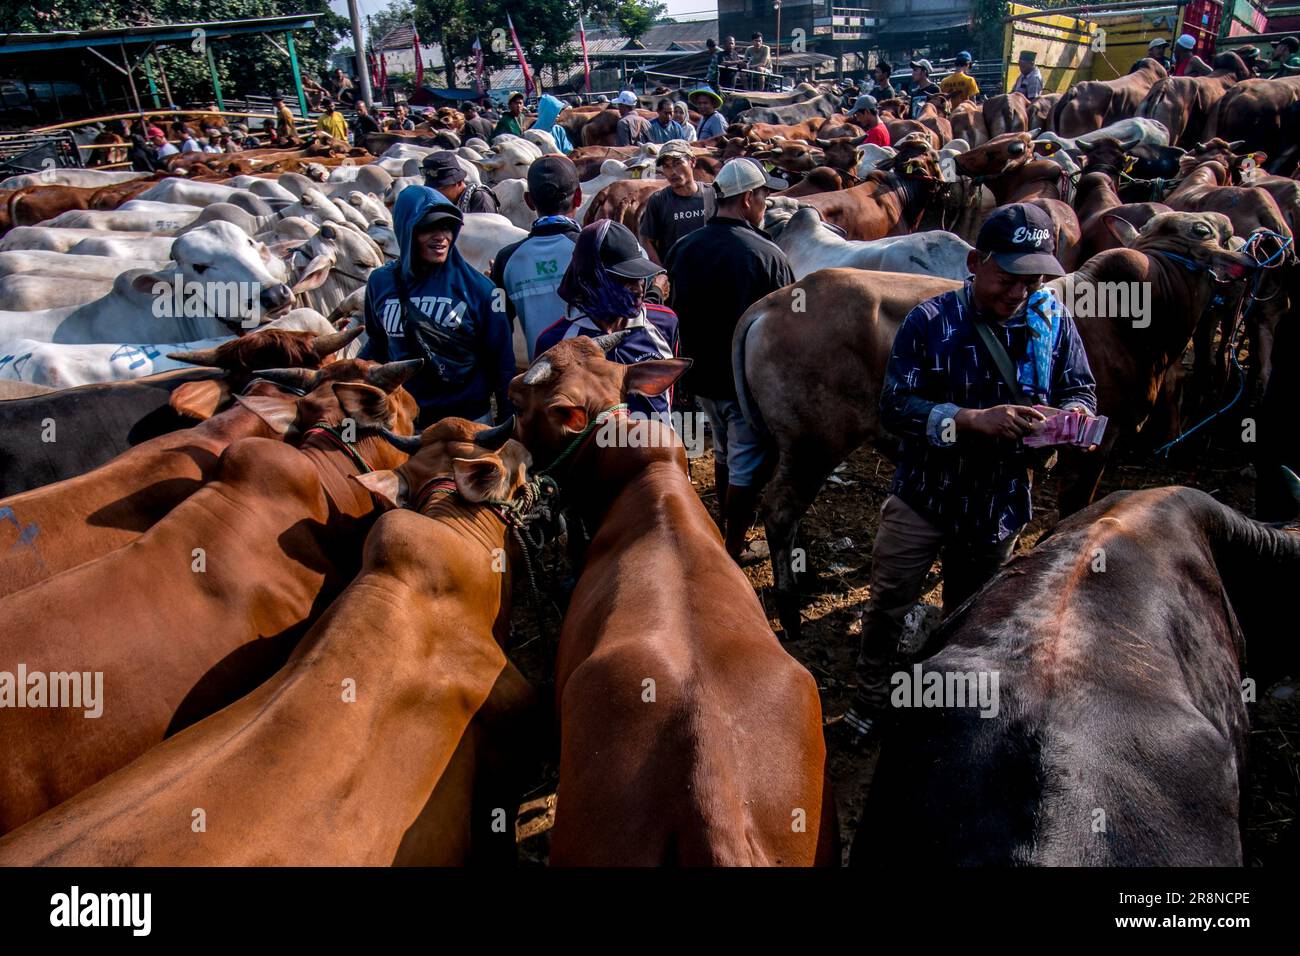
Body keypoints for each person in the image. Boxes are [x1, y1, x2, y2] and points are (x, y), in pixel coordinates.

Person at [841, 203, 1098, 742]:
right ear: (977, 262)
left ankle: (947, 716)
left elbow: (1079, 386)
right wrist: (969, 419)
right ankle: (868, 706)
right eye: (1008, 278)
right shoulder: (930, 321)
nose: (1019, 293)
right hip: (925, 495)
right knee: (890, 604)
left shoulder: (1054, 322)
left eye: (1033, 280)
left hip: (999, 502)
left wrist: (1072, 414)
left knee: (972, 616)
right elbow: (894, 407)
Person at [666, 158, 792, 565]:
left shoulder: (683, 248)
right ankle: (731, 550)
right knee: (745, 466)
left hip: (701, 378)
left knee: (722, 453)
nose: (766, 206)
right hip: (746, 386)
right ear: (748, 198)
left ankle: (722, 531)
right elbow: (787, 327)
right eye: (764, 197)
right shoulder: (769, 256)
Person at [359, 186, 513, 427]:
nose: (441, 236)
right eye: (428, 228)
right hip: (405, 421)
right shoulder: (380, 283)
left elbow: (501, 363)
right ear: (406, 230)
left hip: (467, 423)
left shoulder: (482, 290)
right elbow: (377, 345)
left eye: (446, 227)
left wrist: (506, 422)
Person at [534, 220, 680, 421]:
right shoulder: (555, 342)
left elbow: (668, 396)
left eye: (640, 277)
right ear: (591, 279)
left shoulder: (664, 322)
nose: (638, 289)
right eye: (625, 279)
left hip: (656, 448)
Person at [492, 156, 583, 363]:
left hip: (541, 382)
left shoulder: (507, 260)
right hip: (593, 385)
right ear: (578, 197)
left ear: (529, 201)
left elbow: (497, 329)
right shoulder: (595, 248)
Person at [639, 140, 717, 265]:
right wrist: (661, 272)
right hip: (676, 277)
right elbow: (646, 240)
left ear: (693, 162)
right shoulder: (658, 201)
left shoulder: (712, 195)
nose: (672, 172)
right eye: (666, 166)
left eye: (677, 163)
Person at [421, 152, 499, 215]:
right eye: (433, 190)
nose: (437, 193)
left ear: (458, 183)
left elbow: (485, 232)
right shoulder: (445, 204)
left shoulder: (480, 199)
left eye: (441, 188)